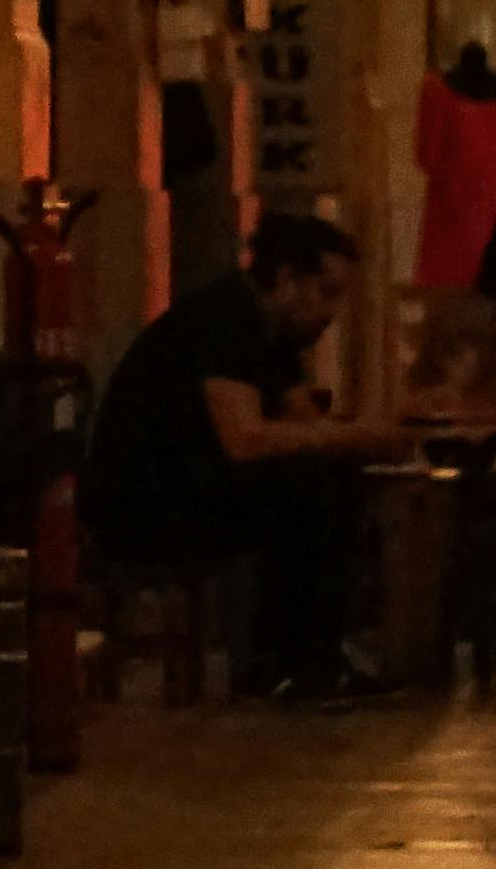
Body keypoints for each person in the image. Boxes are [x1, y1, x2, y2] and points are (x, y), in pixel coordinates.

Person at [79, 208, 389, 700]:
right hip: (142, 501)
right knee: (304, 493)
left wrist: (365, 435)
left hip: (194, 483)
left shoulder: (274, 331)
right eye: (326, 292)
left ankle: (315, 655)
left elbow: (303, 422)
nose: (332, 312)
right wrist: (343, 438)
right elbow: (243, 438)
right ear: (288, 279)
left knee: (332, 481)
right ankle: (283, 663)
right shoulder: (226, 321)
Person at [415, 35, 496, 296]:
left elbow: (426, 156)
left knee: (446, 285)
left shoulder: (438, 92)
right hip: (490, 201)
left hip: (450, 199)